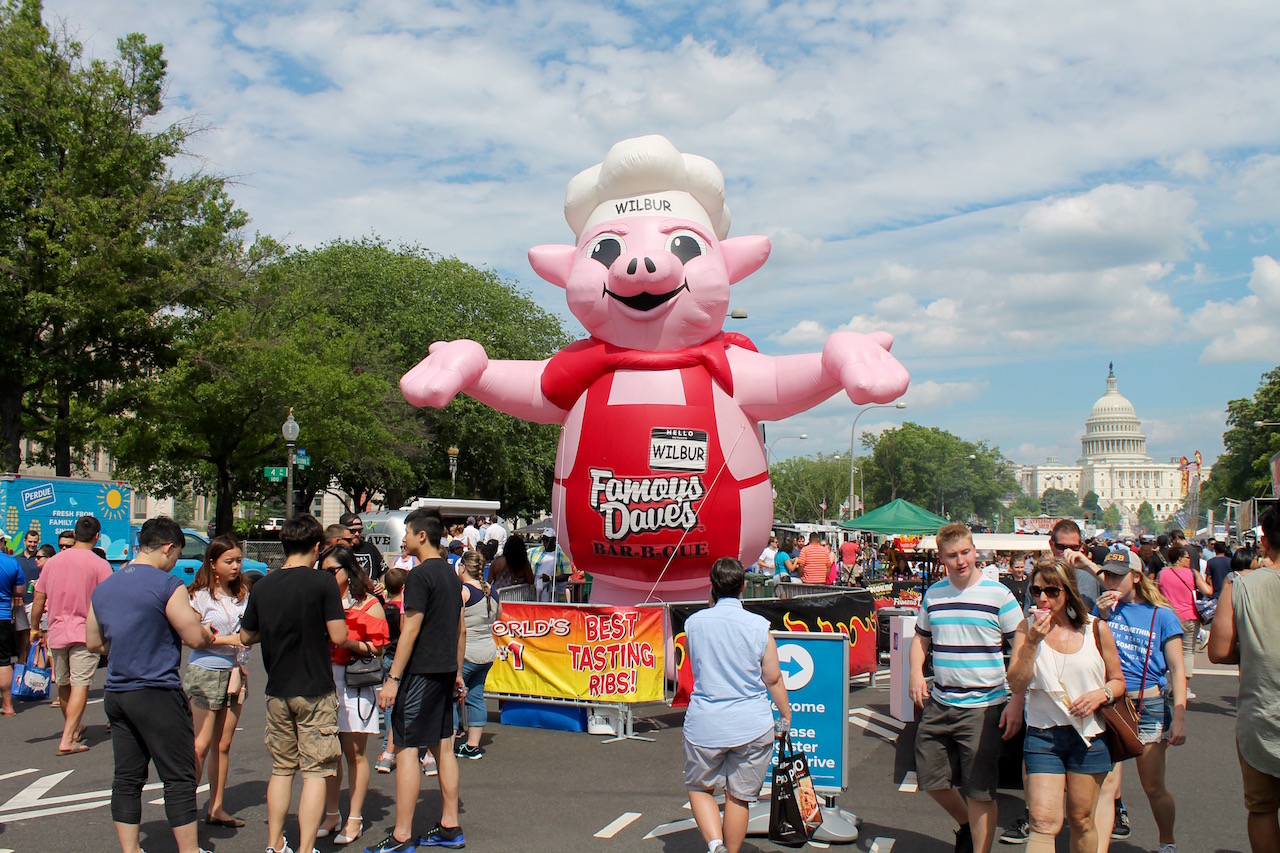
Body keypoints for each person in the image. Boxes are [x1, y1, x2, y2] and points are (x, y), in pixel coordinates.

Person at [85, 517, 216, 853]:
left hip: (117, 692)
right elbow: (192, 636)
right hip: (157, 692)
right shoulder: (167, 584)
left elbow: (92, 642)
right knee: (179, 777)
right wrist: (205, 631)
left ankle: (131, 850)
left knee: (127, 779)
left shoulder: (106, 586)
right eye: (176, 555)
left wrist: (128, 644)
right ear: (168, 548)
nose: (175, 563)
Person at [911, 523, 1024, 853]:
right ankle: (967, 828)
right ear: (942, 558)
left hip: (984, 706)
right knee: (930, 778)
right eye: (952, 555)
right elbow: (920, 639)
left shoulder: (998, 595)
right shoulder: (934, 594)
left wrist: (1016, 696)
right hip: (941, 701)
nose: (961, 560)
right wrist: (915, 675)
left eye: (965, 552)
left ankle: (978, 846)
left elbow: (1022, 642)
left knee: (980, 791)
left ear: (975, 551)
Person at [239, 514, 348, 853]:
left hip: (278, 688)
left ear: (283, 544)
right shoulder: (323, 584)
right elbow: (339, 635)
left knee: (282, 769)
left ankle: (274, 843)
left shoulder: (264, 585)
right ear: (317, 547)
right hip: (315, 687)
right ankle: (304, 848)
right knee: (315, 771)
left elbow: (245, 635)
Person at [1006, 557, 1125, 853]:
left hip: (1088, 738)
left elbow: (1118, 680)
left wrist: (1101, 695)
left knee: (1082, 819)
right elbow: (1017, 684)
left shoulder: (1095, 629)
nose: (1043, 598)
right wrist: (1032, 643)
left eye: (1052, 591)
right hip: (1043, 736)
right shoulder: (1027, 628)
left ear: (1068, 591)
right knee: (1043, 822)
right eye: (1036, 591)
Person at [370, 509, 466, 852]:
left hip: (421, 672)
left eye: (408, 533)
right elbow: (459, 629)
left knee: (407, 748)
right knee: (442, 746)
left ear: (421, 536)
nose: (404, 539)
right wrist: (455, 672)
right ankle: (451, 825)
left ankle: (402, 835)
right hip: (441, 671)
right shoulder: (452, 575)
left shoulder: (420, 576)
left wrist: (393, 678)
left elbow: (410, 630)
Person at [683, 556, 791, 853]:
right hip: (751, 723)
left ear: (713, 586)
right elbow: (772, 678)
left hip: (705, 722)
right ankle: (730, 851)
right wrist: (785, 712)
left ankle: (715, 844)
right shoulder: (758, 626)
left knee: (700, 787)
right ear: (744, 586)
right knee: (739, 796)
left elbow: (695, 662)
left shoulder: (694, 623)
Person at [1091, 548, 1186, 853]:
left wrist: (1181, 717)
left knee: (1153, 786)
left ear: (1135, 577)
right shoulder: (1105, 610)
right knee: (1106, 786)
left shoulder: (1162, 615)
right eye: (1107, 575)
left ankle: (1167, 841)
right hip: (1112, 705)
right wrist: (1100, 615)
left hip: (1149, 706)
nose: (1111, 581)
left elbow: (1177, 668)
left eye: (1119, 575)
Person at [1208, 505, 1280, 852]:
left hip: (1261, 714)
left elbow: (1219, 651)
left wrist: (1252, 649)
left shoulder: (1239, 585)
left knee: (1263, 808)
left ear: (1263, 541)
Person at [318, 544, 390, 847]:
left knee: (355, 753)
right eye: (322, 572)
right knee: (328, 753)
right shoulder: (320, 599)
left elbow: (379, 648)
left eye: (332, 571)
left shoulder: (368, 603)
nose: (327, 577)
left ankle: (355, 817)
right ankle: (331, 813)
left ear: (348, 571)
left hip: (356, 681)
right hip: (322, 681)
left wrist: (348, 643)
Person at [30, 514, 113, 755]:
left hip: (56, 630)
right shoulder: (99, 564)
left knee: (64, 684)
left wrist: (35, 628)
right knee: (80, 685)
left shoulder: (53, 562)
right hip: (85, 632)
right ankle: (68, 738)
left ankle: (73, 728)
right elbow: (108, 600)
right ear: (96, 537)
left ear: (74, 535)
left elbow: (38, 597)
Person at [184, 535, 252, 828]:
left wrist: (237, 650)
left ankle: (217, 807)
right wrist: (233, 639)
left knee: (224, 744)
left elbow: (250, 634)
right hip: (205, 671)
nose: (235, 566)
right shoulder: (198, 596)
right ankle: (184, 811)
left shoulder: (243, 594)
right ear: (212, 564)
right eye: (229, 561)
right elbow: (197, 639)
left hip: (236, 673)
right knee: (200, 744)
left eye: (238, 560)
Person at [455, 550, 501, 760]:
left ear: (462, 568)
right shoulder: (491, 591)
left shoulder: (463, 592)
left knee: (450, 697)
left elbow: (455, 624)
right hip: (487, 651)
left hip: (466, 653)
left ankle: (444, 744)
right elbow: (498, 617)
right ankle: (472, 745)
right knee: (475, 696)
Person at [1156, 544, 1211, 701]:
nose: (1190, 560)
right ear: (1180, 558)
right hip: (1189, 617)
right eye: (1187, 557)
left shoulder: (1162, 574)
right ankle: (1182, 689)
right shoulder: (1192, 574)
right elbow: (1207, 591)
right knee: (1187, 652)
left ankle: (1163, 684)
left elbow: (1156, 593)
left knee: (1166, 652)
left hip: (1168, 618)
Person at [375, 567, 409, 775]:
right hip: (400, 659)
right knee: (404, 702)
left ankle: (388, 745)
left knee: (389, 705)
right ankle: (397, 742)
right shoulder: (405, 611)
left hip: (387, 656)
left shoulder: (384, 608)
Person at [0, 544, 25, 716]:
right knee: (3, 661)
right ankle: (8, 705)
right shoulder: (12, 562)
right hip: (3, 616)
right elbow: (20, 591)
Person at [13, 529, 40, 662]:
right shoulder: (16, 560)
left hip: (35, 601)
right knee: (22, 632)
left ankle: (33, 660)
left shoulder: (40, 559)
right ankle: (22, 658)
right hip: (19, 602)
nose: (32, 544)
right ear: (25, 541)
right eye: (30, 541)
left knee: (34, 632)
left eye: (35, 542)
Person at [340, 512, 387, 583]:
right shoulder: (339, 551)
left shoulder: (370, 548)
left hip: (371, 592)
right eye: (352, 531)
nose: (357, 534)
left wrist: (382, 585)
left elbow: (384, 572)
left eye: (359, 531)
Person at [529, 528, 570, 602]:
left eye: (547, 539)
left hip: (554, 594)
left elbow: (567, 574)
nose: (544, 541)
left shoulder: (562, 554)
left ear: (554, 540)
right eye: (543, 539)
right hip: (537, 591)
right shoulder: (535, 551)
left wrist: (550, 578)